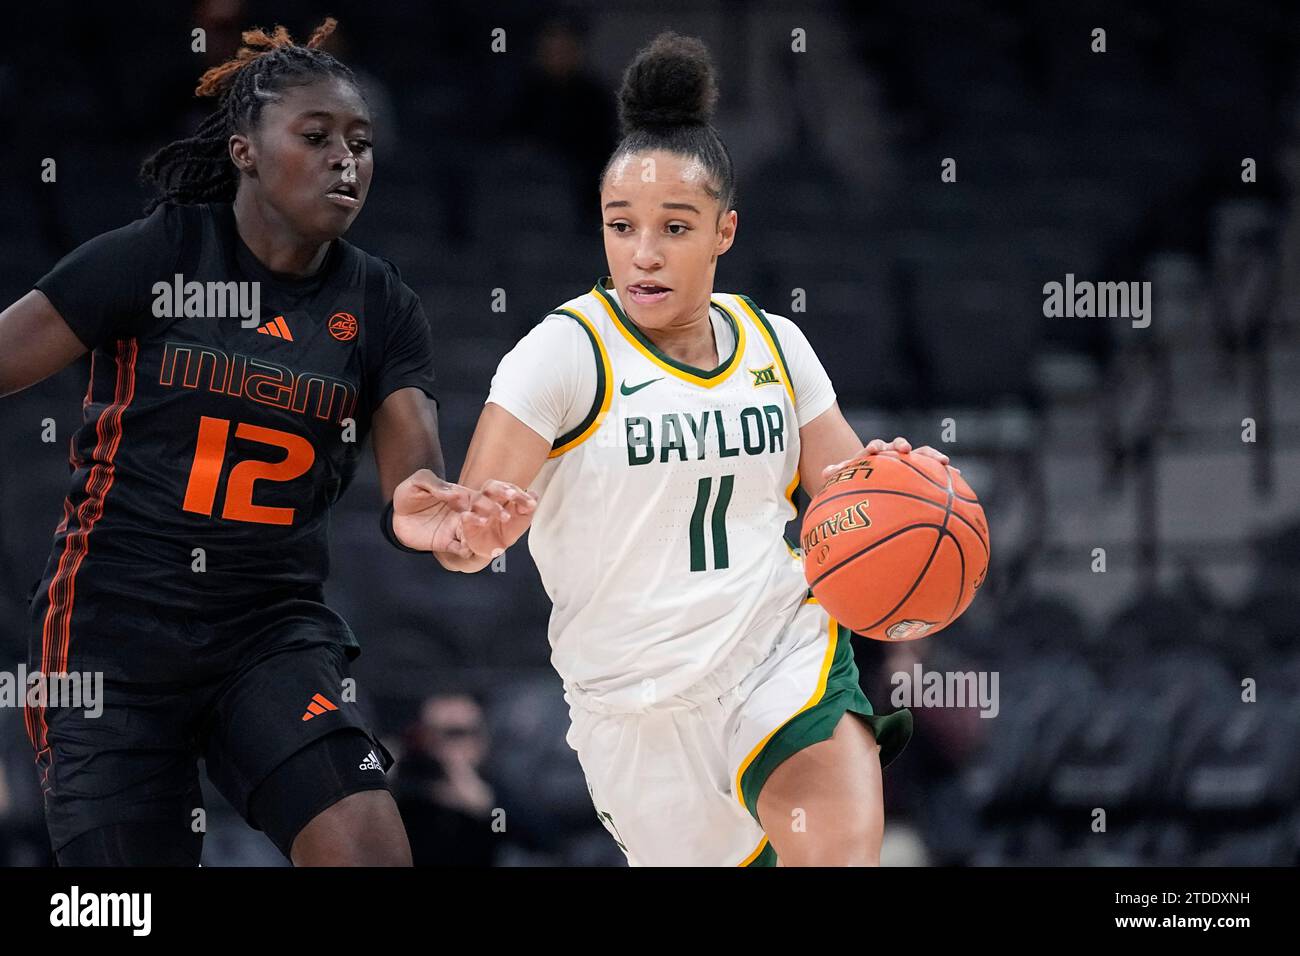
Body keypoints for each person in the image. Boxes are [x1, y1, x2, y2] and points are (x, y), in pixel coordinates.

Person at [0, 18, 526, 867]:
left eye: (360, 142)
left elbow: (413, 475)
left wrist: (434, 516)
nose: (345, 159)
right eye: (315, 137)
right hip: (113, 631)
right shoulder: (160, 254)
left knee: (372, 850)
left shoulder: (381, 304)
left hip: (266, 628)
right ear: (244, 149)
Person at [440, 32, 949, 866]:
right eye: (621, 225)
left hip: (779, 658)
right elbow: (467, 530)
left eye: (675, 226)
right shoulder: (562, 352)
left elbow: (850, 504)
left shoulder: (776, 345)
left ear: (724, 230)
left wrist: (904, 499)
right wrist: (471, 535)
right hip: (634, 712)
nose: (643, 252)